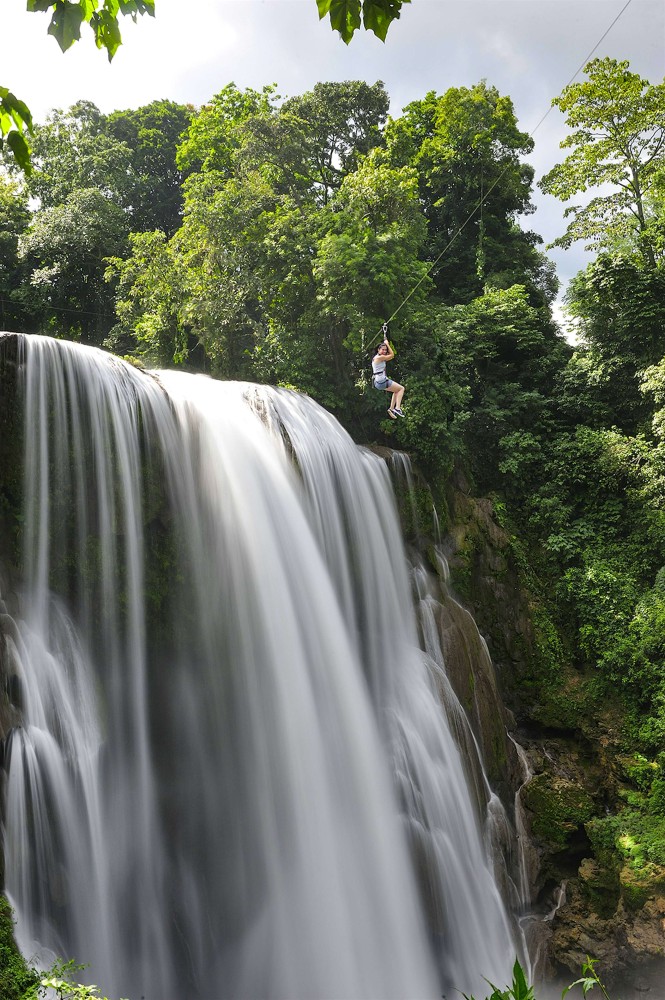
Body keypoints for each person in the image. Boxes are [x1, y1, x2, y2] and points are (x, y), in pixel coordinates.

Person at [371, 336, 405, 418]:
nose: (384, 351)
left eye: (385, 350)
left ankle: (391, 408)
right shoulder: (379, 358)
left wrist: (386, 344)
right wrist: (387, 344)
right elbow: (392, 355)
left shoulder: (377, 357)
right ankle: (397, 408)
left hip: (378, 382)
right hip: (382, 381)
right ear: (378, 350)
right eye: (382, 349)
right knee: (401, 389)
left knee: (396, 391)